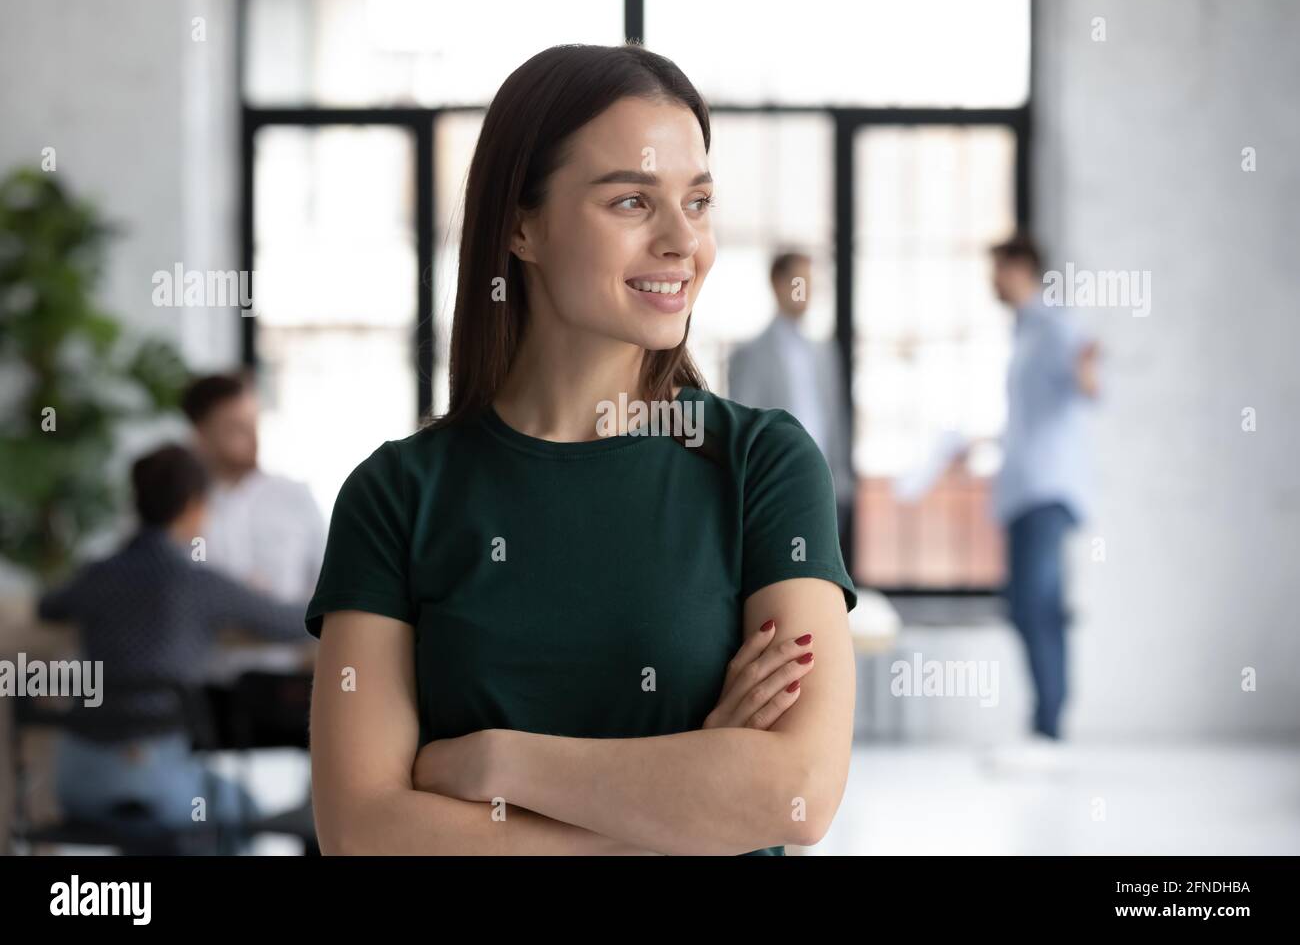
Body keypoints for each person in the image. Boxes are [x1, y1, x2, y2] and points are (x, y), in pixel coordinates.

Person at [307, 43, 859, 856]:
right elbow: (364, 831)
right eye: (633, 202)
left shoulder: (761, 466)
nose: (684, 242)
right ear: (521, 225)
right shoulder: (396, 496)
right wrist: (687, 815)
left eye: (698, 201)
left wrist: (499, 761)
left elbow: (798, 796)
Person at [37, 444, 309, 851]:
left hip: (78, 783)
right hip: (154, 784)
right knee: (242, 806)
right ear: (192, 507)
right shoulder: (199, 585)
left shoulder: (99, 573)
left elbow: (48, 607)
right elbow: (292, 622)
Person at [986, 233, 1099, 760]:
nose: (992, 282)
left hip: (1046, 493)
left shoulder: (1054, 328)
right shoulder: (1024, 332)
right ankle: (1045, 723)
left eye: (998, 270)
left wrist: (1088, 375)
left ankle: (1049, 729)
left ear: (1023, 268)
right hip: (1023, 491)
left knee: (1039, 606)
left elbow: (1088, 386)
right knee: (1026, 607)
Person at [727, 251, 857, 578]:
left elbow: (835, 420)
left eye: (811, 283)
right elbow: (745, 422)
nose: (807, 291)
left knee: (822, 575)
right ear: (776, 284)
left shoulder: (824, 352)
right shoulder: (750, 354)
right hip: (777, 483)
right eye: (799, 282)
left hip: (825, 481)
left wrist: (841, 477)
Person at [181, 373, 325, 605]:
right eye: (236, 429)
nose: (253, 438)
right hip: (207, 641)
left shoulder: (294, 497)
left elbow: (328, 584)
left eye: (253, 424)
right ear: (201, 434)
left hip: (290, 638)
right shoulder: (179, 506)